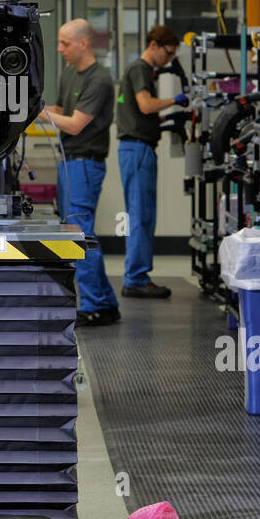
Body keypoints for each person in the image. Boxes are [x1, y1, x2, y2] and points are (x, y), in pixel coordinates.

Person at [40, 18, 119, 327]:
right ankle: (106, 302)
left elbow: (74, 124)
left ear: (83, 44)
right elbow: (61, 110)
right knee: (82, 233)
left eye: (65, 44)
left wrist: (39, 113)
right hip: (69, 161)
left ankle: (96, 304)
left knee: (79, 235)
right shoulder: (69, 74)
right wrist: (33, 105)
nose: (60, 49)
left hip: (85, 163)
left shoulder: (99, 79)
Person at [116, 24, 188, 299]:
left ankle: (137, 275)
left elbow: (141, 114)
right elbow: (146, 105)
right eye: (168, 54)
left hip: (136, 149)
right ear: (155, 45)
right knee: (141, 215)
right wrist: (174, 100)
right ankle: (135, 278)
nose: (169, 60)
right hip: (138, 151)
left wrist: (167, 120)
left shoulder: (141, 70)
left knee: (141, 214)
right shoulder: (141, 69)